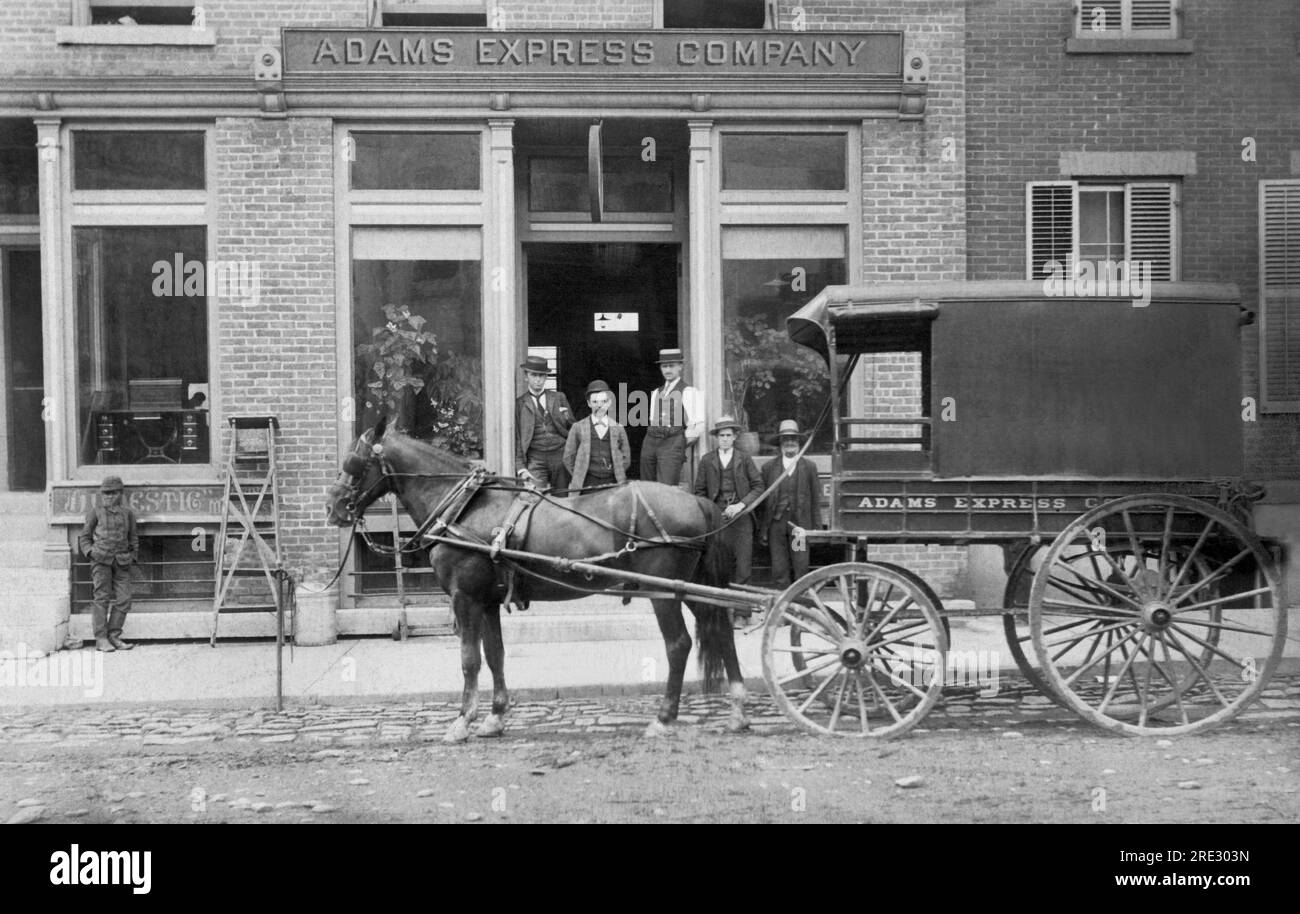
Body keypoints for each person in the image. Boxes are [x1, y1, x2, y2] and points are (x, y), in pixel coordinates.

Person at [694, 416, 763, 598]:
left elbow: (758, 486)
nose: (724, 439)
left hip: (742, 518)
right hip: (718, 521)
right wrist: (713, 511)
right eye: (721, 435)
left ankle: (742, 612)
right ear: (717, 438)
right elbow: (699, 492)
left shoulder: (744, 459)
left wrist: (740, 505)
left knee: (743, 566)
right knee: (720, 565)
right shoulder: (707, 460)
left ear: (734, 437)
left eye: (728, 435)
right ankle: (724, 611)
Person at [77, 475, 139, 652]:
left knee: (125, 599)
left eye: (113, 493)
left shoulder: (128, 514)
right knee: (101, 598)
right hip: (101, 560)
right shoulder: (95, 512)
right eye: (105, 493)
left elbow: (133, 538)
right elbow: (85, 537)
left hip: (122, 561)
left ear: (120, 494)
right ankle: (101, 638)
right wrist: (91, 552)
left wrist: (133, 555)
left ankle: (114, 635)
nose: (108, 497)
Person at [760, 419, 823, 590]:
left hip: (799, 528)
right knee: (779, 568)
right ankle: (783, 609)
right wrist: (763, 530)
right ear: (780, 442)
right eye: (786, 439)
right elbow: (763, 502)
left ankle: (800, 606)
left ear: (799, 443)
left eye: (793, 439)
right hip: (776, 527)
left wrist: (816, 529)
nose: (790, 443)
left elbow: (815, 500)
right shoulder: (768, 468)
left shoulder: (809, 467)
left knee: (800, 565)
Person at [641, 348, 704, 487]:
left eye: (672, 365)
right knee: (647, 485)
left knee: (667, 488)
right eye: (664, 366)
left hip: (672, 442)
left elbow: (698, 426)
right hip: (651, 442)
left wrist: (678, 443)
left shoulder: (689, 391)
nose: (668, 370)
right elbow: (653, 420)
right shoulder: (656, 392)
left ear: (680, 366)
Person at [515, 355, 575, 493]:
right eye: (533, 375)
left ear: (546, 377)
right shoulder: (520, 404)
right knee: (535, 497)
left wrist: (571, 454)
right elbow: (518, 438)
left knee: (562, 498)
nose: (537, 380)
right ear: (526, 377)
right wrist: (521, 468)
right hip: (535, 459)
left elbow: (573, 427)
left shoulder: (559, 398)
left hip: (560, 455)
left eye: (541, 375)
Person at [564, 379, 632, 491]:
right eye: (595, 402)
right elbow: (568, 457)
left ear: (609, 403)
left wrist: (617, 472)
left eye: (603, 401)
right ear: (589, 403)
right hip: (587, 482)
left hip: (612, 482)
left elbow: (626, 457)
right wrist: (579, 475)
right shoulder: (578, 427)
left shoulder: (618, 428)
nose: (599, 406)